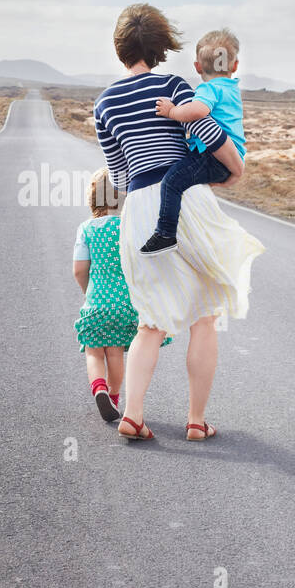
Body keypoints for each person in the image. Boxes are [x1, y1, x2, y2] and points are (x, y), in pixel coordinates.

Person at [94, 4, 264, 442]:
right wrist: (234, 169)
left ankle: (132, 414)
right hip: (187, 198)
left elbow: (118, 177)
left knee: (150, 321)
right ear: (160, 45)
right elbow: (206, 131)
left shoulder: (104, 103)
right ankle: (195, 420)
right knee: (204, 317)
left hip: (141, 207)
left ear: (120, 47)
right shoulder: (174, 85)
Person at [73, 168, 167, 421]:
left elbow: (79, 269)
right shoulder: (132, 227)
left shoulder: (87, 229)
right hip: (126, 304)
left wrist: (87, 292)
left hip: (97, 302)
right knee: (115, 351)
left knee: (93, 351)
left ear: (94, 197)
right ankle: (114, 397)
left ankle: (99, 388)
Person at [141, 28, 246, 254]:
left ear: (197, 67)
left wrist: (172, 112)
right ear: (235, 66)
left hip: (214, 157)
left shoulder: (209, 88)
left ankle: (165, 234)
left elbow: (198, 111)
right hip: (231, 156)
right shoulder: (231, 89)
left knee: (172, 182)